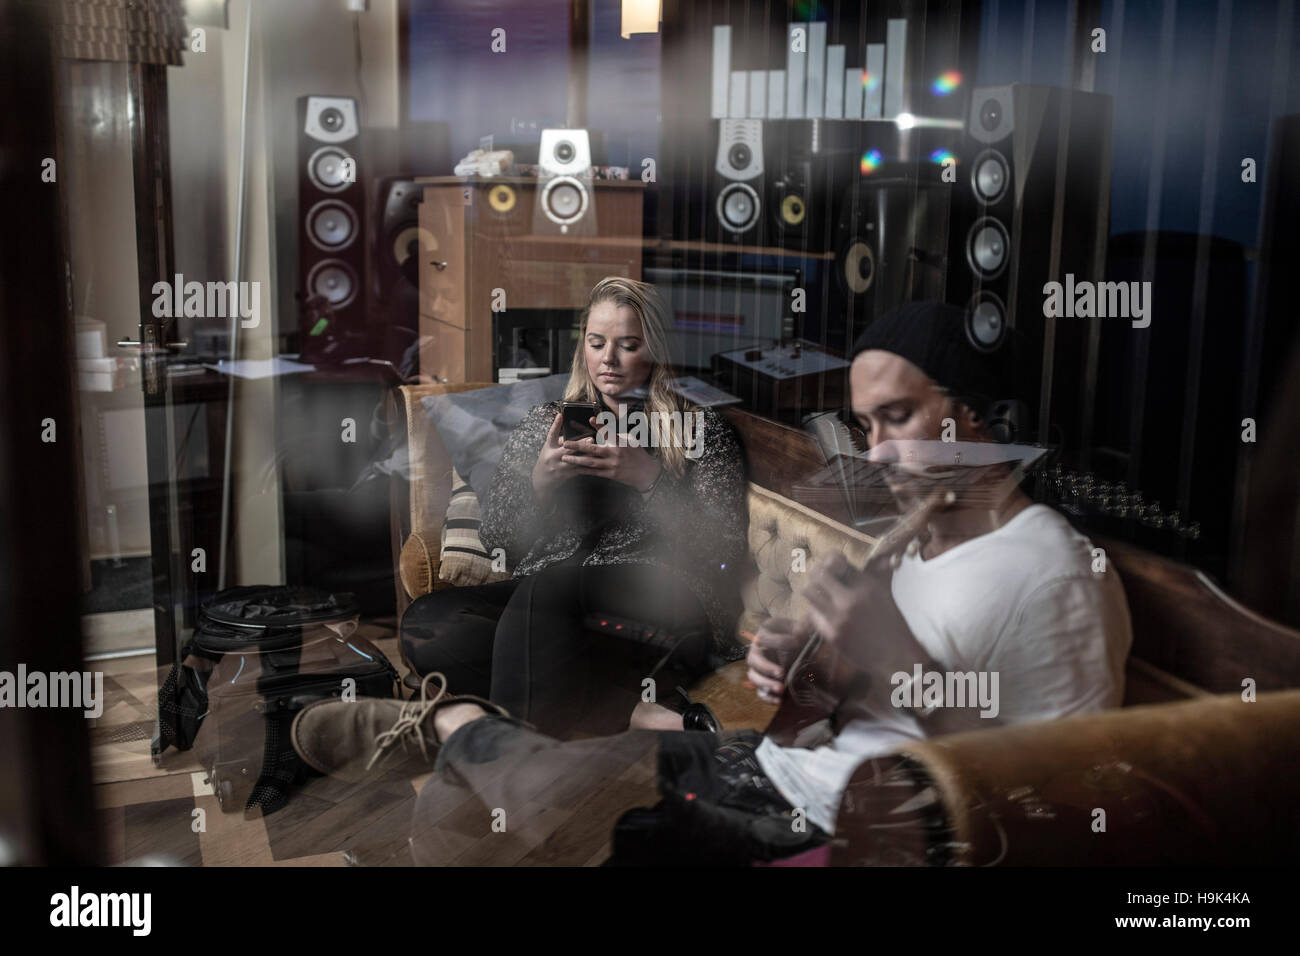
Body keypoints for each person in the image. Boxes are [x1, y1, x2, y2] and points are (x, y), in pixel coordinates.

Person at [292, 301, 1132, 865]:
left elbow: (1045, 784)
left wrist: (891, 656)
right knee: (476, 802)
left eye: (899, 418)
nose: (874, 454)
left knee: (491, 822)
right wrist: (807, 670)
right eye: (864, 425)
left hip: (836, 814)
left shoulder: (1055, 573)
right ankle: (479, 731)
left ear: (979, 416)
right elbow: (852, 714)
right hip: (779, 769)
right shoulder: (917, 544)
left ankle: (457, 722)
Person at [397, 276, 748, 738]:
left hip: (662, 599)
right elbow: (500, 538)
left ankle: (514, 762)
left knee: (547, 594)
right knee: (431, 624)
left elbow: (721, 550)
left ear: (656, 349)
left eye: (627, 345)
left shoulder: (698, 428)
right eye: (597, 342)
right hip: (553, 606)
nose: (608, 359)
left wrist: (648, 479)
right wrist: (541, 483)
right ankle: (637, 714)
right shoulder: (549, 422)